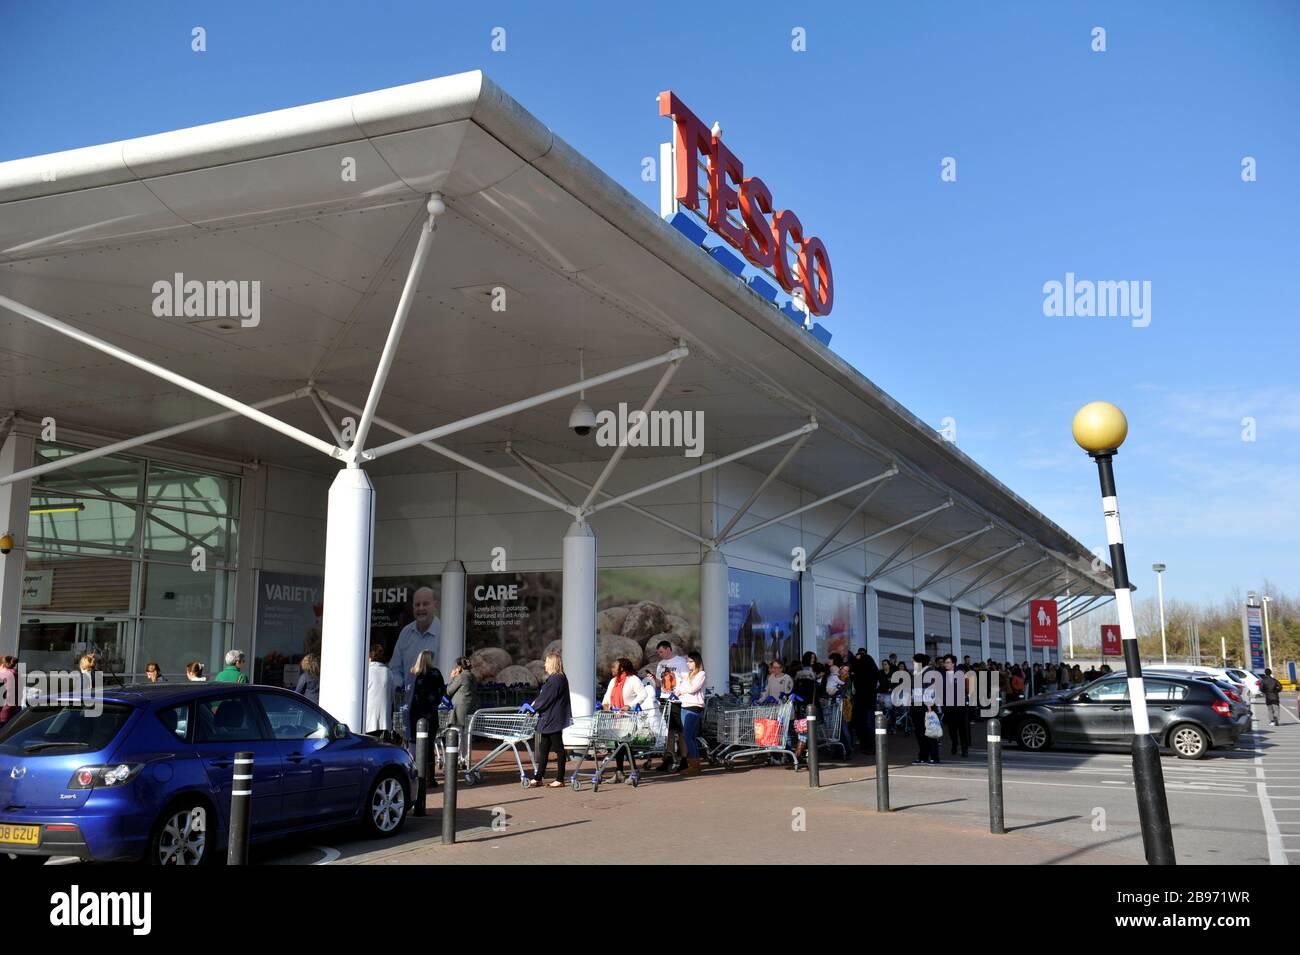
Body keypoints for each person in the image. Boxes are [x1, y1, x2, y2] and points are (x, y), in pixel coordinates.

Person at [601, 658, 651, 783]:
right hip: (615, 717)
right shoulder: (613, 681)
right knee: (619, 745)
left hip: (628, 717)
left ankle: (631, 772)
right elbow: (607, 697)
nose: (612, 669)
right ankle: (621, 772)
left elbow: (643, 694)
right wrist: (605, 705)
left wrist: (630, 705)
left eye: (614, 666)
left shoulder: (633, 680)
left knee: (624, 744)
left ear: (622, 668)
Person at [529, 652, 573, 788]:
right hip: (549, 718)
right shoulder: (558, 678)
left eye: (547, 662)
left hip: (552, 719)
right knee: (544, 748)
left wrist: (533, 708)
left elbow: (546, 698)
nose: (545, 665)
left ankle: (559, 778)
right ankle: (539, 777)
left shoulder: (556, 679)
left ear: (553, 663)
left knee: (558, 748)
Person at [652, 640, 690, 773]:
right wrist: (653, 679)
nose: (660, 655)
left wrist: (679, 693)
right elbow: (658, 683)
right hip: (664, 698)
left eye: (662, 652)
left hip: (676, 700)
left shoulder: (680, 662)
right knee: (668, 729)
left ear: (668, 649)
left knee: (680, 729)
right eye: (659, 653)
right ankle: (669, 757)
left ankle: (684, 758)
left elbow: (686, 680)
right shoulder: (661, 664)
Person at [408, 650, 446, 766]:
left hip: (413, 712)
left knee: (414, 741)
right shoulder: (435, 673)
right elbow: (441, 692)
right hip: (430, 712)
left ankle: (414, 769)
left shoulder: (412, 673)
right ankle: (429, 777)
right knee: (429, 742)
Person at [676, 652, 707, 777]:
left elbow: (693, 689)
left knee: (687, 736)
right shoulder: (688, 675)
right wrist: (678, 692)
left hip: (694, 707)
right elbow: (680, 689)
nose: (688, 664)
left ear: (697, 662)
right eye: (687, 661)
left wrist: (681, 691)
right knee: (691, 736)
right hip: (684, 706)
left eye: (690, 661)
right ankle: (695, 765)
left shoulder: (701, 674)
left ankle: (693, 765)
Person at [909, 653, 941, 765]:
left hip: (926, 707)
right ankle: (923, 756)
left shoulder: (929, 673)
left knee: (930, 732)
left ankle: (934, 756)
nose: (912, 663)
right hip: (917, 706)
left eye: (914, 661)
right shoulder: (917, 673)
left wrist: (929, 707)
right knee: (920, 733)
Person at [941, 654, 970, 757]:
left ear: (953, 663)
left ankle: (964, 748)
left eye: (948, 662)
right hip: (948, 706)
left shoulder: (960, 673)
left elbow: (966, 689)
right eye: (945, 662)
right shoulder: (942, 675)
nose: (946, 664)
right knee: (951, 728)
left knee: (962, 728)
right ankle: (954, 744)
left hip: (960, 705)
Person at [850, 650, 879, 753]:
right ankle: (870, 745)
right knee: (869, 723)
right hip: (869, 701)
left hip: (862, 701)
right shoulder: (872, 671)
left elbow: (858, 684)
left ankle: (867, 745)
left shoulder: (861, 674)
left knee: (865, 723)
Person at [364, 644, 392, 736]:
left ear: (369, 657)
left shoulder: (366, 671)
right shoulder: (388, 672)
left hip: (368, 718)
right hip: (384, 718)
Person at [446, 656, 478, 728]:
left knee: (456, 732)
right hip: (470, 707)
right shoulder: (473, 677)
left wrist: (452, 677)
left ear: (460, 667)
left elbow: (448, 691)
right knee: (466, 731)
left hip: (459, 710)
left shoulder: (461, 676)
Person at [0, 655, 19, 727]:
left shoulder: (5, 673)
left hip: (7, 713)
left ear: (2, 665)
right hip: (16, 711)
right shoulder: (14, 673)